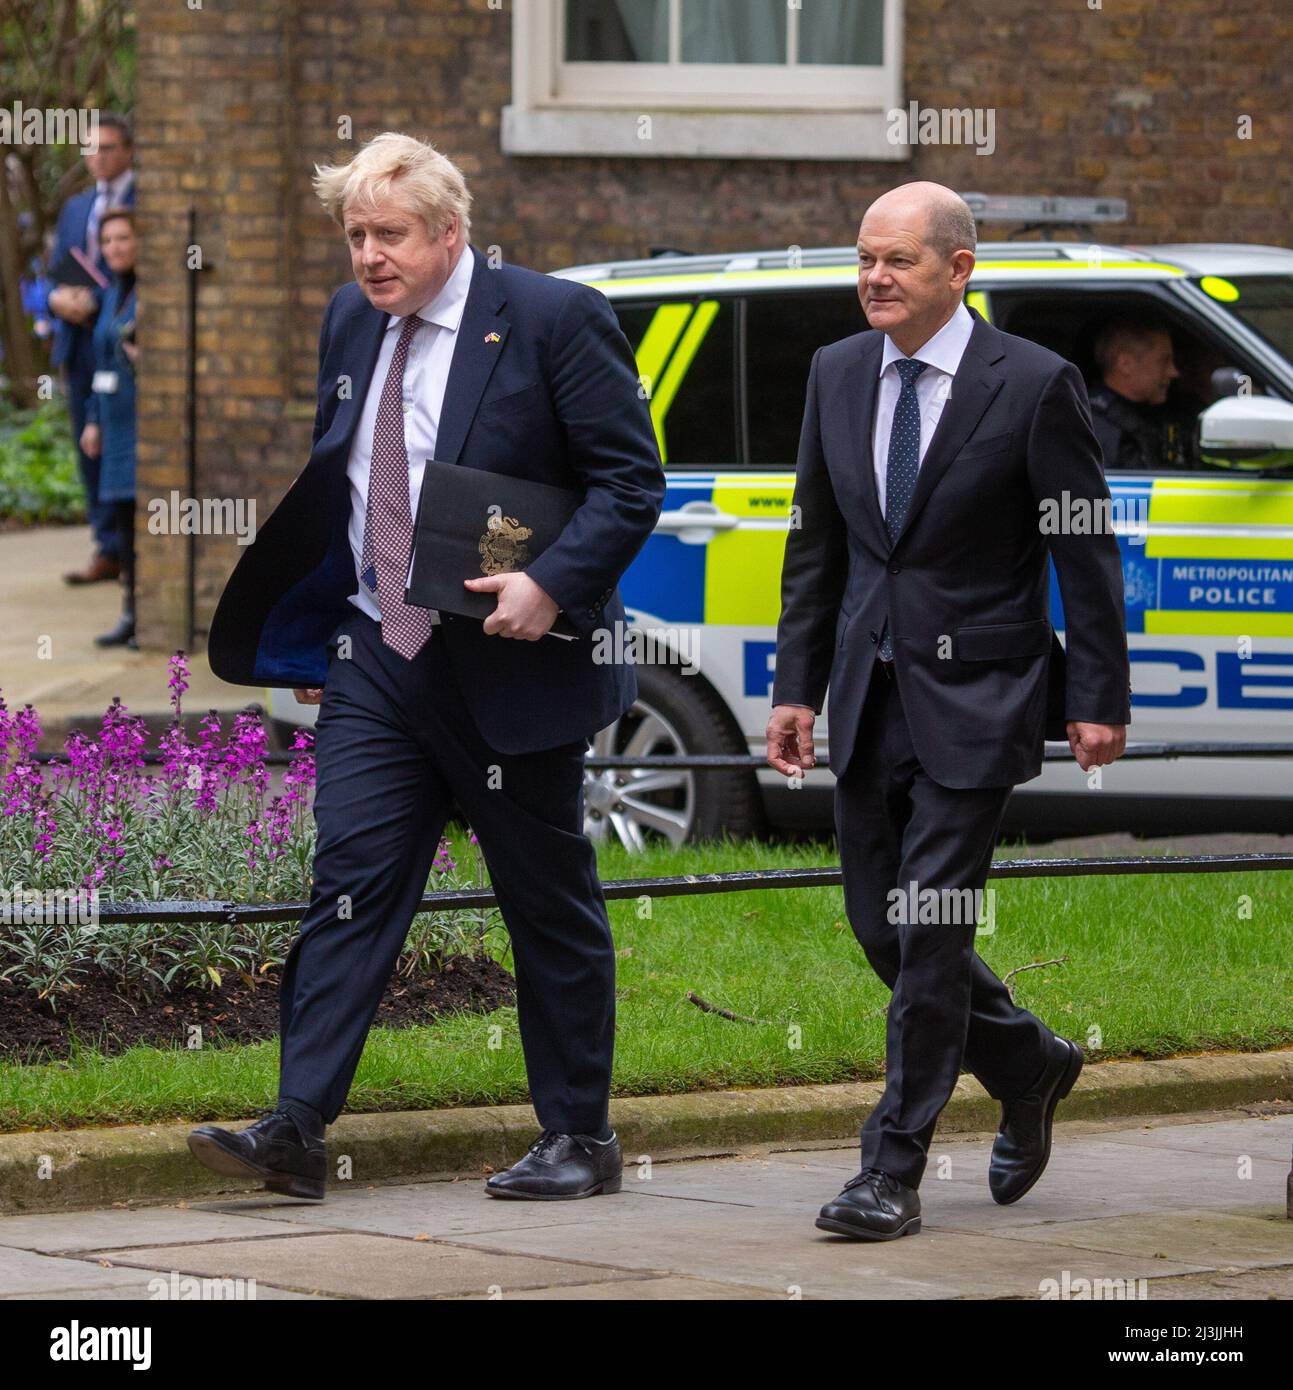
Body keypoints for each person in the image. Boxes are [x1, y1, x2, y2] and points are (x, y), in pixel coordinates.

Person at [189, 132, 664, 1202]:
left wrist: (552, 584)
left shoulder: (552, 318)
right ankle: (297, 1129)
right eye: (355, 233)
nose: (368, 255)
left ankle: (580, 1137)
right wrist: (319, 625)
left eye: (389, 234)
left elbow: (630, 485)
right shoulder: (352, 319)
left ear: (451, 232)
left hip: (514, 662)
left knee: (545, 900)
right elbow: (346, 479)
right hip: (375, 655)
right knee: (348, 886)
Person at [766, 182, 1130, 1242]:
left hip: (982, 695)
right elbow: (817, 548)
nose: (874, 278)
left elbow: (1083, 546)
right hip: (866, 695)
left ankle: (892, 1168)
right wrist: (796, 686)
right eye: (865, 259)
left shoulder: (1034, 383)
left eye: (898, 262)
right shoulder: (837, 373)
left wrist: (1098, 695)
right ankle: (1029, 1059)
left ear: (959, 269)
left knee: (928, 936)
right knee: (880, 926)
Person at [46, 113, 136, 585]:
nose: (97, 157)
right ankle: (106, 547)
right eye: (90, 148)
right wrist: (57, 299)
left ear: (128, 151)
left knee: (121, 439)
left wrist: (96, 303)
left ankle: (133, 549)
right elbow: (56, 270)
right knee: (88, 440)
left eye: (107, 147)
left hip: (118, 340)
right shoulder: (76, 208)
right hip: (77, 343)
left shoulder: (144, 199)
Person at [78, 207, 138, 648]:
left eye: (123, 238)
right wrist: (93, 422)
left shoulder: (150, 295)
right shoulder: (111, 293)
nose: (116, 247)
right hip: (113, 423)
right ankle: (128, 610)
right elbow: (101, 363)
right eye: (109, 241)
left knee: (141, 522)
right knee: (121, 517)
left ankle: (140, 613)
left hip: (142, 424)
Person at [1088, 319, 1190, 471]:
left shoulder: (1159, 414)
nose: (1173, 372)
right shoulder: (1098, 428)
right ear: (1125, 365)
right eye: (1164, 361)